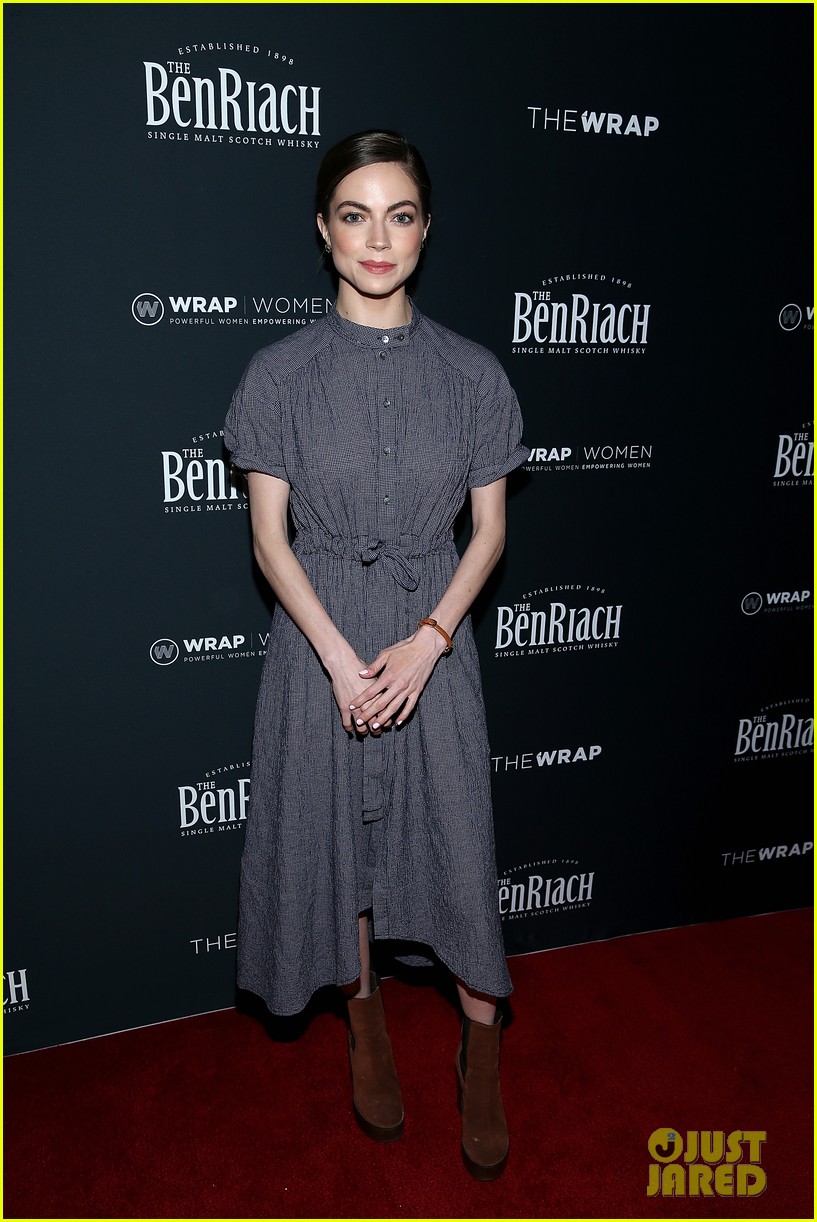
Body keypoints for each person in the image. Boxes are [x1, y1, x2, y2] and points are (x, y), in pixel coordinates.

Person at [224, 130, 528, 1180]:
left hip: (432, 635)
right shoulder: (277, 374)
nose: (377, 237)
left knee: (457, 836)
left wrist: (428, 642)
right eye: (354, 215)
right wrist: (341, 660)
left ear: (426, 228)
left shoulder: (474, 374)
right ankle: (364, 1019)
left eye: (399, 214)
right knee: (336, 838)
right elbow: (269, 541)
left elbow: (488, 531)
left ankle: (480, 1045)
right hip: (320, 640)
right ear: (324, 230)